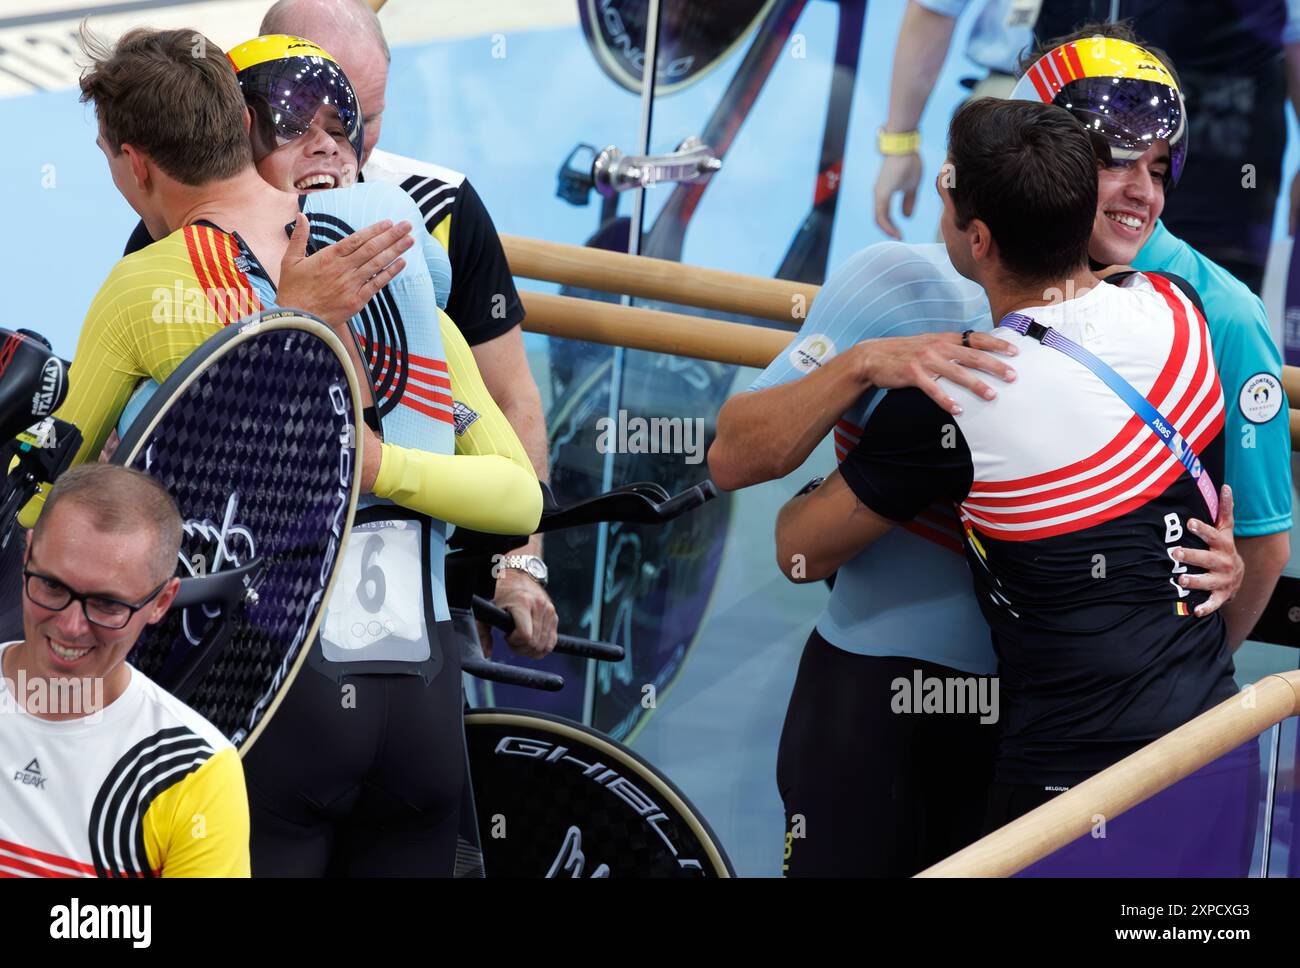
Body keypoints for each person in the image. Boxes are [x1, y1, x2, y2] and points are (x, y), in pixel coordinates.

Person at [710, 27, 1284, 877]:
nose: (1139, 194)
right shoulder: (905, 280)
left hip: (1055, 735)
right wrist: (864, 364)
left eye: (1160, 167)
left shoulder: (1212, 309)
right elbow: (732, 459)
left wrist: (1166, 619)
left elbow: (1257, 546)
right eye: (1112, 160)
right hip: (901, 709)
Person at [52, 27, 542, 877]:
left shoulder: (148, 285)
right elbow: (519, 501)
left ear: (135, 164)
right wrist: (384, 465)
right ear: (240, 127)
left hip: (260, 697)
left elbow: (47, 483)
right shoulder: (398, 256)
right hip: (422, 709)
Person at [262, 0, 558, 659]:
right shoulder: (201, 217)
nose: (342, 144)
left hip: (421, 571)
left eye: (362, 118)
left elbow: (511, 398)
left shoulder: (444, 203)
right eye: (307, 120)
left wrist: (518, 568)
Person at [0, 464, 249, 878]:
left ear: (161, 602)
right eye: (52, 587)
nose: (70, 625)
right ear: (26, 557)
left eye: (107, 605)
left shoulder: (196, 773)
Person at [1031, 1, 1288, 295]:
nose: (1144, 190)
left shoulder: (1226, 305)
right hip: (1068, 141)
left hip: (1229, 162)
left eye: (1157, 174)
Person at [874, 0, 1034, 239]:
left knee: (974, 264)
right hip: (1013, 105)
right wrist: (899, 144)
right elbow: (935, 11)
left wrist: (899, 144)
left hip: (1011, 102)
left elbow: (934, 12)